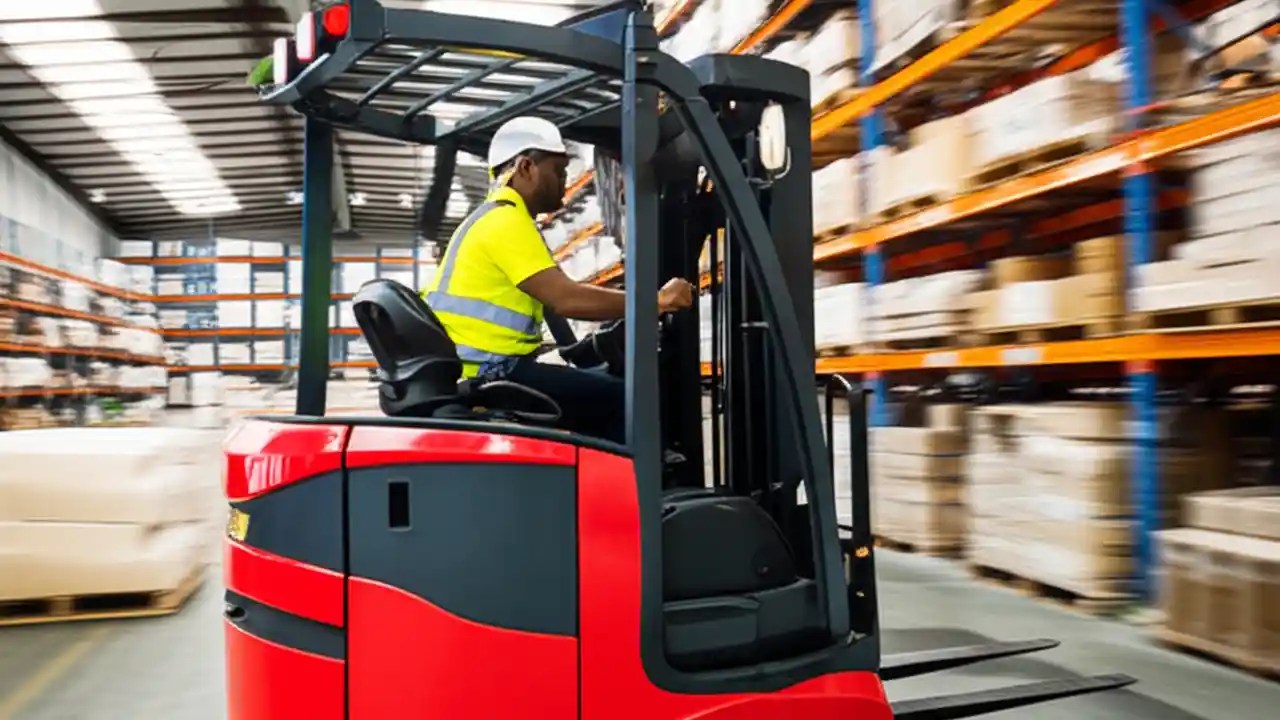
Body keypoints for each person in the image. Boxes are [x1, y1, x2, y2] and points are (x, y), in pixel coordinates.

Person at [422, 116, 695, 445]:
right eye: (558, 171)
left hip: (479, 368)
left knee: (592, 388)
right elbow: (566, 299)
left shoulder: (493, 219)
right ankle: (634, 478)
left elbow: (552, 305)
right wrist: (657, 301)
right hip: (490, 372)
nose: (563, 183)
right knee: (624, 400)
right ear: (526, 167)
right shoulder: (505, 221)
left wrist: (582, 352)